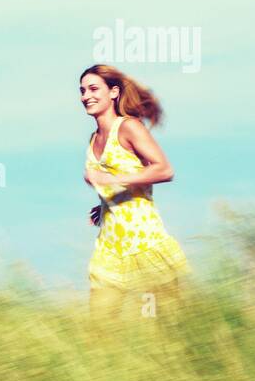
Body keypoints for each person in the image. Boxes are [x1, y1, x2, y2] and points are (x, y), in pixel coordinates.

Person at [80, 65, 189, 317]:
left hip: (145, 242)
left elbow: (164, 170)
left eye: (94, 89)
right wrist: (107, 203)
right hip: (109, 248)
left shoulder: (128, 128)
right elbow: (119, 185)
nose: (86, 96)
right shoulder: (93, 139)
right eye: (83, 90)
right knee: (99, 328)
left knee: (170, 323)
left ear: (114, 92)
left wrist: (110, 180)